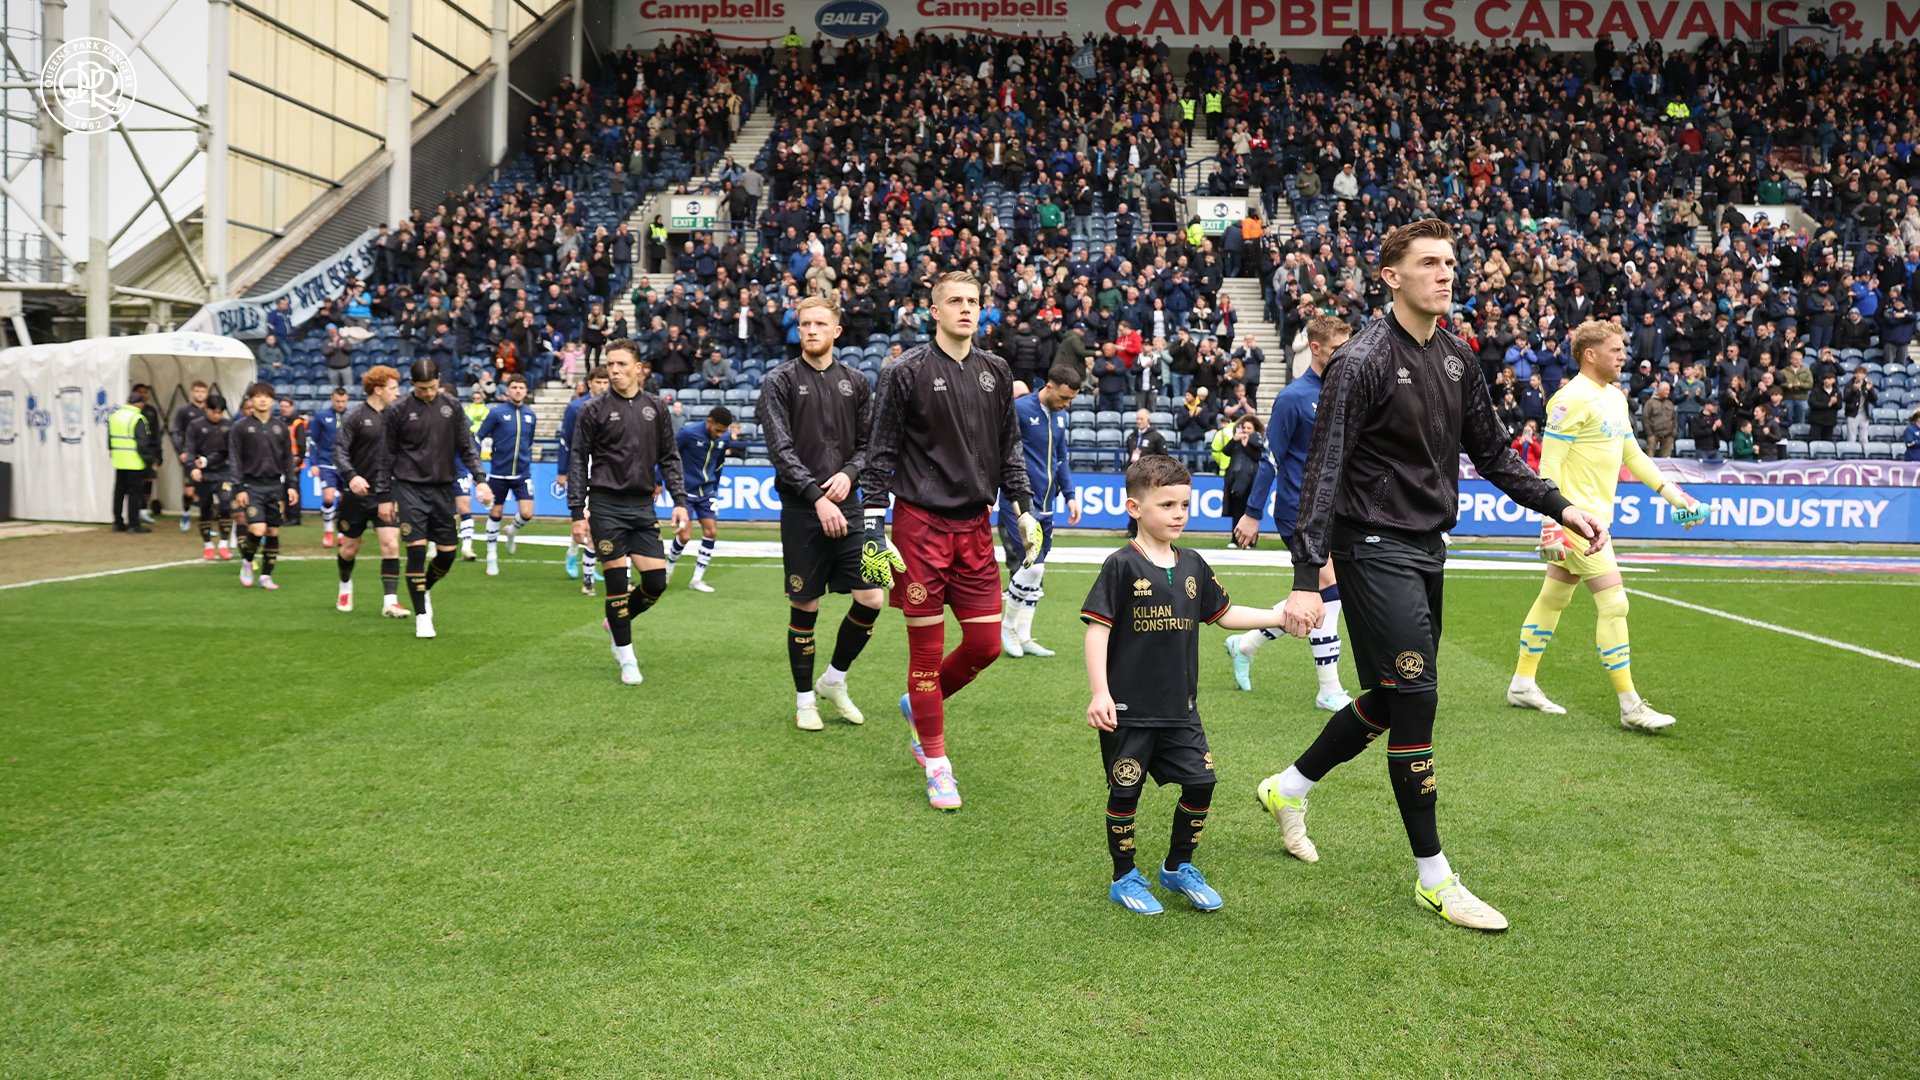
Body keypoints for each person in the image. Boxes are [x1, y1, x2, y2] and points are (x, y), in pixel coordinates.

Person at [1255, 220, 1607, 933]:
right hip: (1370, 546)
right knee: (1417, 696)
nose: (1446, 273)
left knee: (1390, 696)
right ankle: (1435, 878)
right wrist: (1303, 574)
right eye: (1428, 263)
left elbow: (1498, 455)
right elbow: (1322, 470)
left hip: (1426, 547)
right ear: (1391, 275)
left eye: (1451, 262)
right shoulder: (1359, 361)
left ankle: (1286, 787)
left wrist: (1562, 504)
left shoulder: (1457, 358)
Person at [857, 271, 1042, 811]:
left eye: (973, 301)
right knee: (925, 652)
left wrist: (1024, 505)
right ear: (932, 311)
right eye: (954, 301)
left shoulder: (997, 370)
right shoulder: (903, 371)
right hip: (920, 529)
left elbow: (1009, 448)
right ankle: (937, 762)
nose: (966, 309)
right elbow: (882, 450)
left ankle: (920, 704)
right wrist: (873, 523)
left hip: (976, 529)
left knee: (986, 646)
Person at [1082, 455, 1293, 916]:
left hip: (1181, 707)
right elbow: (1096, 630)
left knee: (1202, 784)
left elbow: (1223, 615)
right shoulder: (1120, 565)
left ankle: (1178, 866)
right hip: (1127, 710)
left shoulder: (1194, 563)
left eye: (1185, 504)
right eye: (1167, 504)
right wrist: (1100, 693)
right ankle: (1124, 876)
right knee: (1125, 793)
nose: (1179, 513)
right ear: (1134, 507)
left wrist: (1278, 617)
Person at [1506, 320, 1706, 732]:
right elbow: (1548, 466)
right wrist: (1554, 520)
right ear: (1590, 354)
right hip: (1581, 523)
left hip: (1594, 522)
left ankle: (1522, 682)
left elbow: (1632, 455)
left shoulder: (1614, 398)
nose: (1623, 356)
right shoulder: (1569, 399)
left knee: (1553, 599)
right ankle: (1630, 705)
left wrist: (1674, 495)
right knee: (1614, 603)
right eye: (1616, 350)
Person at [760, 295, 885, 730]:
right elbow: (780, 450)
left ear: (837, 331)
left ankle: (834, 680)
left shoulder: (857, 381)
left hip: (847, 504)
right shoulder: (778, 381)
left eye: (819, 324)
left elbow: (870, 443)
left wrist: (850, 474)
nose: (810, 330)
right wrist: (815, 496)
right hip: (801, 509)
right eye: (804, 324)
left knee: (872, 597)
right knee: (806, 604)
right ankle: (803, 700)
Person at [1229, 314, 1353, 709]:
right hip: (1298, 513)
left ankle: (1245, 643)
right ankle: (1329, 688)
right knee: (1330, 590)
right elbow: (1270, 459)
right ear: (1315, 348)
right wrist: (1252, 513)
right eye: (1336, 350)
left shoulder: (1346, 392)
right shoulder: (1292, 398)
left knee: (1318, 592)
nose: (1343, 357)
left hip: (1337, 511)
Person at [568, 339, 691, 684]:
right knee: (617, 583)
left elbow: (669, 457)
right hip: (606, 505)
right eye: (610, 365)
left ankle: (616, 619)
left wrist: (680, 501)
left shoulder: (656, 407)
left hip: (642, 505)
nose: (615, 371)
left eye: (622, 364)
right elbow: (578, 459)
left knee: (655, 581)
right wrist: (578, 511)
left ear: (639, 369)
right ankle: (626, 656)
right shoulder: (593, 410)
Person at [389, 358, 492, 638]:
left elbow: (467, 447)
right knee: (417, 550)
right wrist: (385, 495)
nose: (429, 393)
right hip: (409, 488)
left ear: (440, 380)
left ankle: (422, 590)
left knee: (447, 553)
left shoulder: (451, 406)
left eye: (433, 387)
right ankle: (422, 615)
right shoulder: (398, 410)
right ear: (412, 385)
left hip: (443, 488)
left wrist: (480, 480)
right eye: (423, 389)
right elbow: (385, 454)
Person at [1001, 366, 1085, 659]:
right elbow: (999, 452)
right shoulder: (1019, 410)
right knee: (1033, 565)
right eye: (1064, 397)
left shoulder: (1061, 417)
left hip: (1048, 504)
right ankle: (1008, 626)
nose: (1067, 404)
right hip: (1018, 503)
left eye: (1071, 399)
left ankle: (1024, 636)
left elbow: (1060, 459)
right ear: (1049, 386)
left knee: (1038, 572)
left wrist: (1071, 495)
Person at [332, 365, 408, 618]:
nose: (398, 393)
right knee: (350, 548)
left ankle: (390, 601)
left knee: (390, 544)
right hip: (357, 495)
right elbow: (339, 451)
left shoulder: (398, 417)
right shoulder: (355, 416)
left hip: (386, 494)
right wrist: (352, 477)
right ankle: (345, 586)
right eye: (393, 388)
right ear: (378, 390)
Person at [227, 382, 299, 589]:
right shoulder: (240, 427)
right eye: (257, 396)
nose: (262, 399)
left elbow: (287, 459)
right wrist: (238, 487)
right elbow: (235, 459)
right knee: (257, 529)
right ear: (250, 400)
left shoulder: (280, 427)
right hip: (251, 485)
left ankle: (267, 575)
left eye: (266, 396)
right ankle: (248, 561)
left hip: (275, 486)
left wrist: (291, 485)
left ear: (272, 400)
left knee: (273, 532)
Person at [667, 406, 745, 593]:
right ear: (709, 422)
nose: (719, 435)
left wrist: (715, 486)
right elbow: (669, 455)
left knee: (711, 532)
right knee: (685, 536)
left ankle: (697, 579)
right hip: (685, 491)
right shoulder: (688, 433)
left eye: (723, 431)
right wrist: (658, 480)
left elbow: (719, 463)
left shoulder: (723, 438)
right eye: (717, 430)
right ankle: (668, 568)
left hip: (707, 491)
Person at [474, 373, 539, 576]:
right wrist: (477, 463)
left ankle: (512, 531)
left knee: (527, 513)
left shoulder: (531, 415)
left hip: (522, 473)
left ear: (526, 391)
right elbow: (478, 437)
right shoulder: (496, 413)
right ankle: (491, 555)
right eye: (514, 387)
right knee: (495, 513)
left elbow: (529, 442)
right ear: (507, 390)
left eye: (521, 388)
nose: (518, 391)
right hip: (499, 474)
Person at [557, 367, 610, 593]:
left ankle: (584, 557)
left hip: (603, 473)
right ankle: (574, 555)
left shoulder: (612, 406)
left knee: (596, 523)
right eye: (599, 382)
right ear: (590, 383)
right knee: (585, 520)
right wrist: (563, 470)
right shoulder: (575, 408)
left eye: (606, 383)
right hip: (581, 471)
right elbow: (566, 441)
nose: (603, 387)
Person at [184, 394, 236, 559]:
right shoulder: (195, 426)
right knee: (204, 507)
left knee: (226, 502)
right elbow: (190, 449)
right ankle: (207, 544)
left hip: (224, 473)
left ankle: (223, 544)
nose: (217, 415)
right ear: (207, 408)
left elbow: (230, 451)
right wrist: (192, 468)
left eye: (220, 412)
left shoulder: (229, 426)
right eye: (214, 412)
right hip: (203, 475)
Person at [107, 387, 159, 532]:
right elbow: (143, 443)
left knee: (119, 493)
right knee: (134, 494)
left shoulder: (114, 416)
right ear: (140, 403)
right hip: (134, 462)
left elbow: (109, 441)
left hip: (119, 461)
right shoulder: (137, 418)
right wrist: (150, 461)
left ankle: (118, 522)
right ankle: (134, 524)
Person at [308, 385, 350, 547]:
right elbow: (313, 441)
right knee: (328, 497)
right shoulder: (321, 416)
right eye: (338, 401)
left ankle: (341, 532)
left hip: (346, 463)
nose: (340, 404)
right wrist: (313, 463)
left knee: (345, 501)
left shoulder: (352, 416)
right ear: (332, 399)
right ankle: (328, 530)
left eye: (343, 401)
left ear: (347, 401)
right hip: (326, 462)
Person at [170, 380, 209, 531]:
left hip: (207, 457)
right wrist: (181, 451)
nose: (200, 394)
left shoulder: (210, 411)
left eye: (203, 391)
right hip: (191, 455)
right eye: (197, 391)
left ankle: (204, 519)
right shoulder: (184, 411)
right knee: (190, 490)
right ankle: (186, 513)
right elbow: (176, 432)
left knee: (207, 490)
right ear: (192, 393)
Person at [458, 388, 491, 559]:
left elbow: (470, 450)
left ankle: (467, 546)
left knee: (464, 507)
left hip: (459, 470)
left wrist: (477, 476)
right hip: (439, 471)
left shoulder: (463, 422)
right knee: (440, 510)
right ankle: (433, 545)